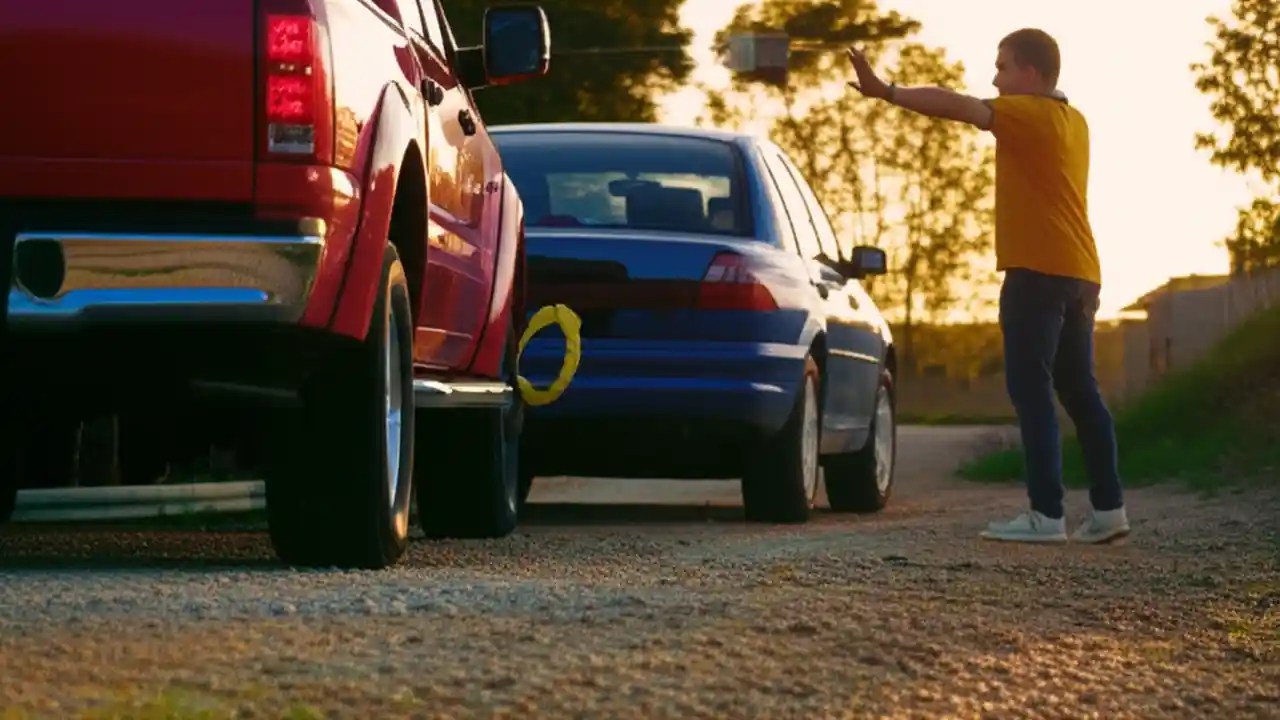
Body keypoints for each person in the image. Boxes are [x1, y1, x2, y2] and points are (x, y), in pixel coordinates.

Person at [845, 28, 1130, 544]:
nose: (995, 79)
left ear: (1032, 73)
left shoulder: (1029, 113)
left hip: (1037, 272)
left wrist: (887, 91)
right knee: (1080, 391)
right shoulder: (1075, 121)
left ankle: (1046, 515)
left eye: (1002, 67)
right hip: (1081, 272)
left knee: (1032, 391)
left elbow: (957, 106)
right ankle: (1109, 510)